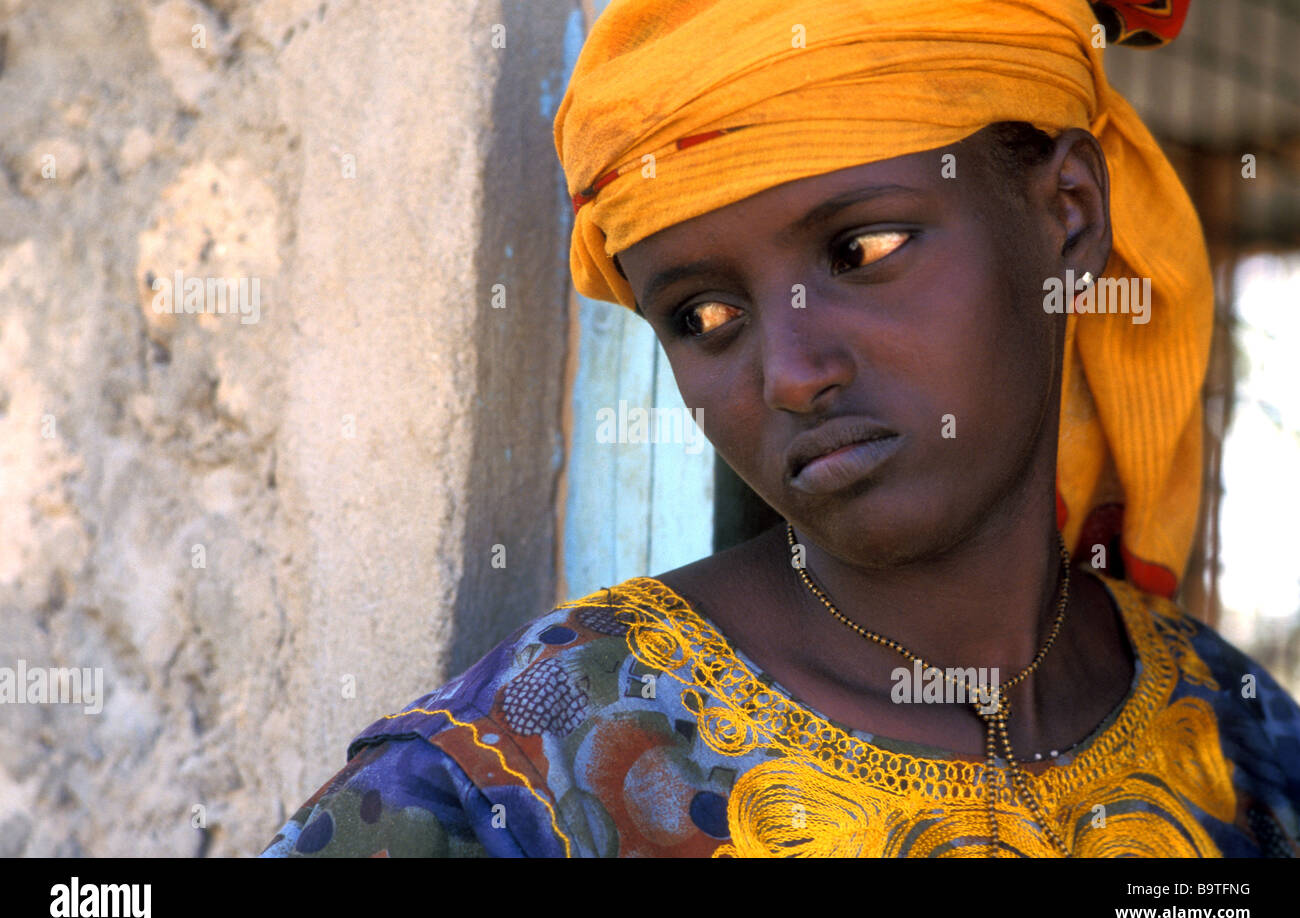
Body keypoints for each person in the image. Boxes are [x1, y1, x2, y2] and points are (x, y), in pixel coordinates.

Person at [259, 0, 1300, 857]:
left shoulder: (1243, 734)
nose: (793, 374)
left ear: (1065, 212)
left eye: (864, 248)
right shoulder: (536, 764)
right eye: (703, 316)